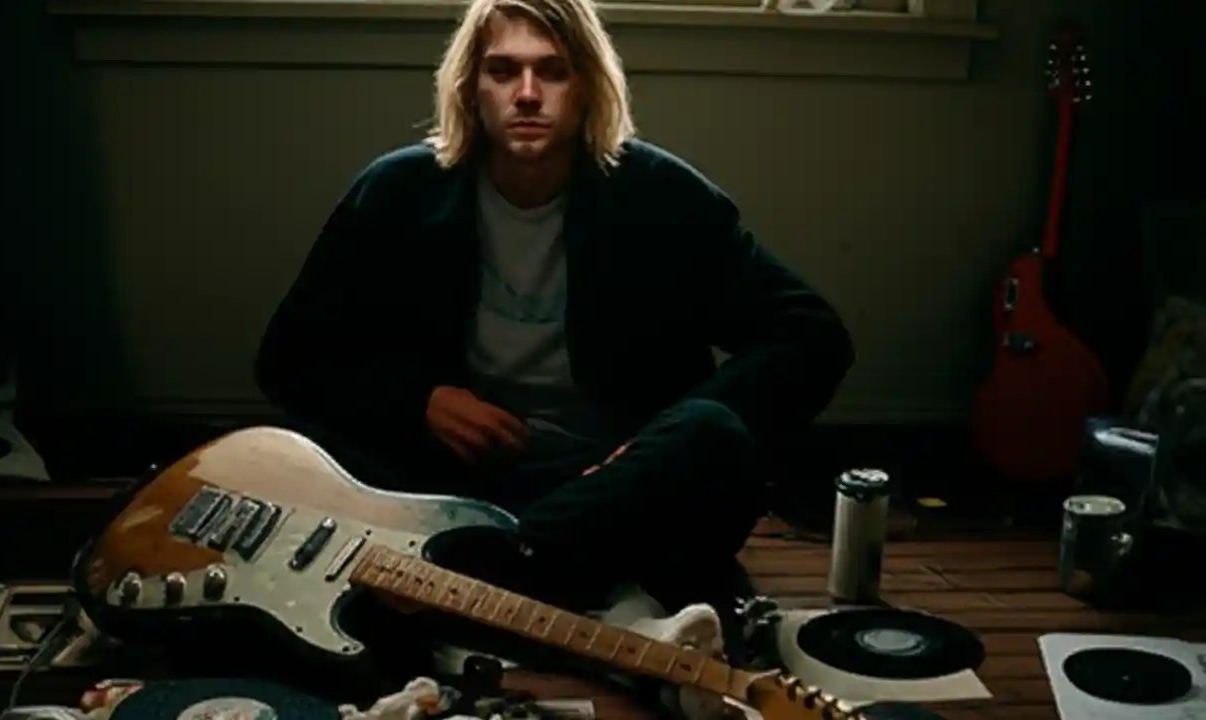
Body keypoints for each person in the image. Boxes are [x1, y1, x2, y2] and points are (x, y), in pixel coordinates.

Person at [254, 0, 854, 662]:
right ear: (470, 88)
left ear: (588, 85)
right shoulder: (399, 190)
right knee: (292, 455)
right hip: (448, 479)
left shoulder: (660, 196)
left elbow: (810, 335)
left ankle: (465, 584)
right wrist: (418, 402)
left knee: (712, 436)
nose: (527, 94)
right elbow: (288, 358)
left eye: (553, 71)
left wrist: (648, 445)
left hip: (608, 484)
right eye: (502, 71)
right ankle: (591, 602)